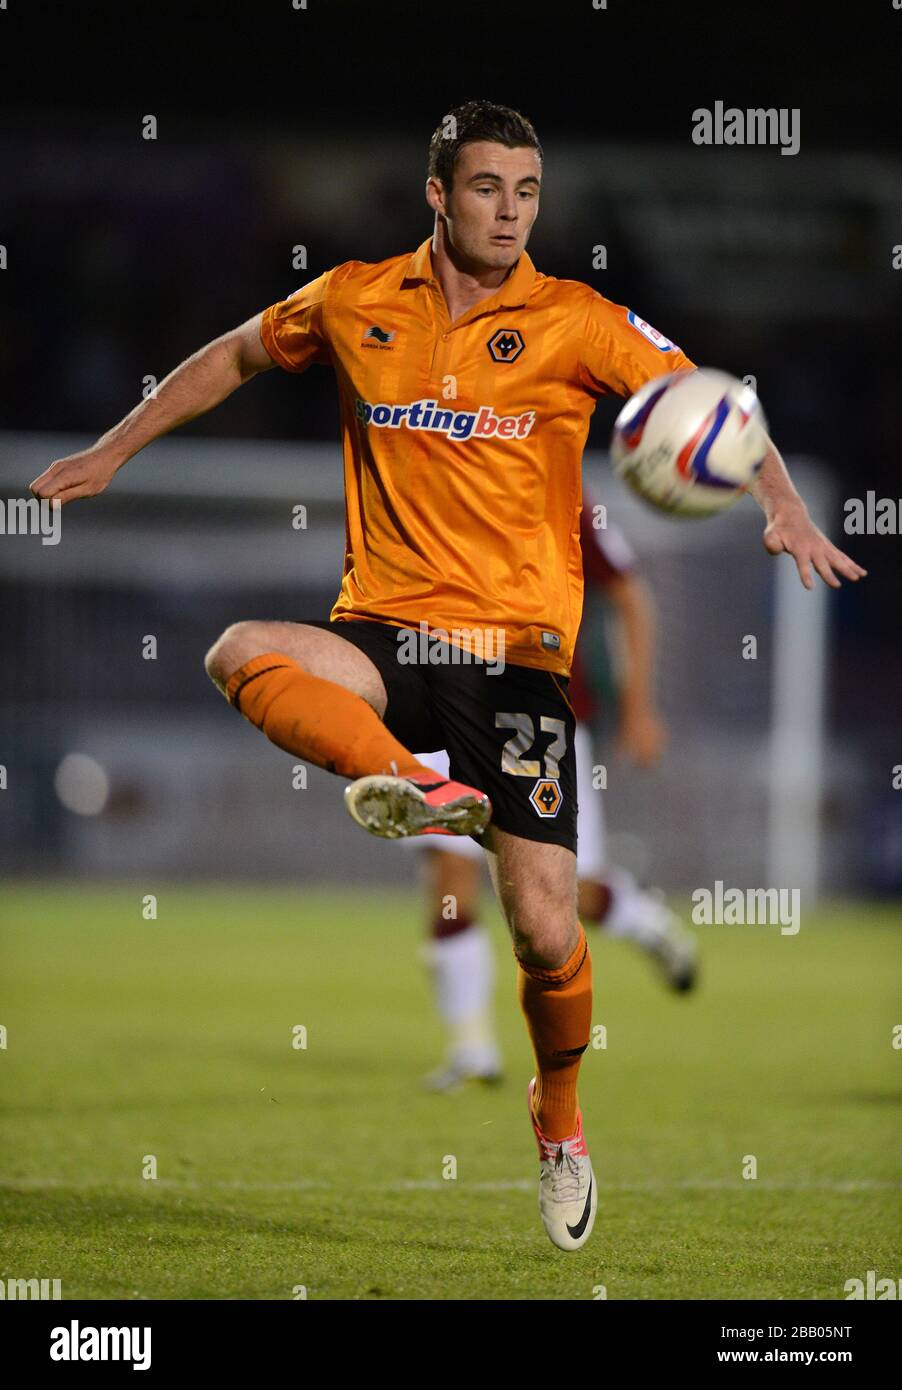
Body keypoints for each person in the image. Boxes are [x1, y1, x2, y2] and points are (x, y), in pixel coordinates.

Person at [30, 100, 865, 1252]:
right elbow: (231, 355)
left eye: (526, 191)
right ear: (437, 193)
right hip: (383, 633)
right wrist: (113, 449)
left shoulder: (574, 322)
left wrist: (774, 497)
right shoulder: (352, 298)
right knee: (239, 650)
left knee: (541, 931)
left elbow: (716, 403)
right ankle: (409, 788)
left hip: (518, 669)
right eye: (487, 188)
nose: (511, 211)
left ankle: (558, 1120)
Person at [406, 504, 698, 1094]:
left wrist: (638, 706)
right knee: (448, 871)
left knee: (561, 897)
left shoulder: (560, 488)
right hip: (441, 705)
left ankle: (643, 920)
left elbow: (630, 598)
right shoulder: (424, 459)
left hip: (536, 713)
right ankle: (472, 1049)